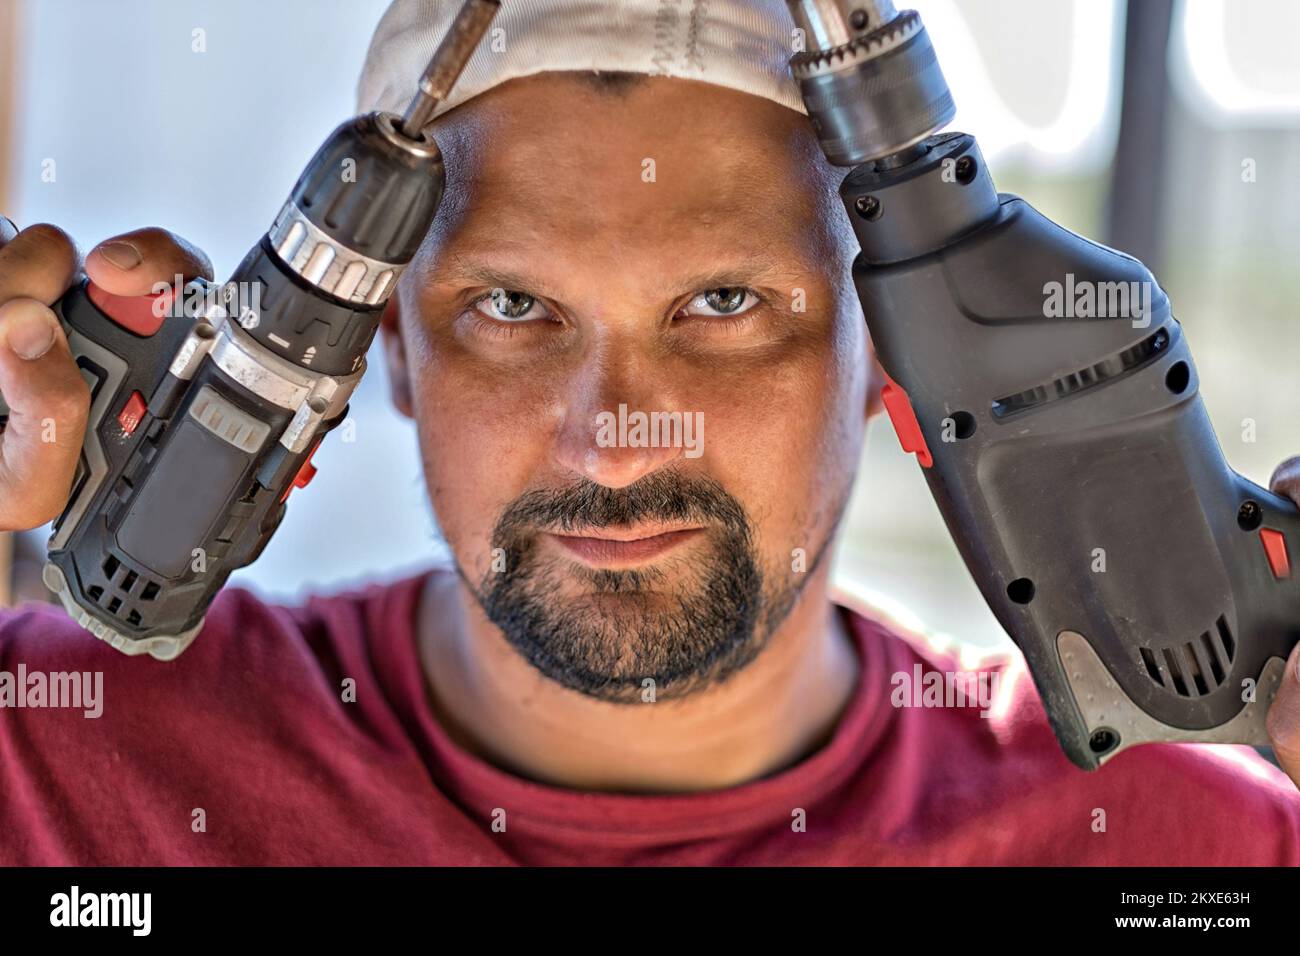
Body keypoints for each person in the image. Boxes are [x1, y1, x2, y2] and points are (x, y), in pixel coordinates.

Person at [0, 0, 1298, 866]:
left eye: (722, 304)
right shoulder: (60, 763)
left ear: (891, 353)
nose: (613, 439)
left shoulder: (1181, 846)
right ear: (382, 343)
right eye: (512, 308)